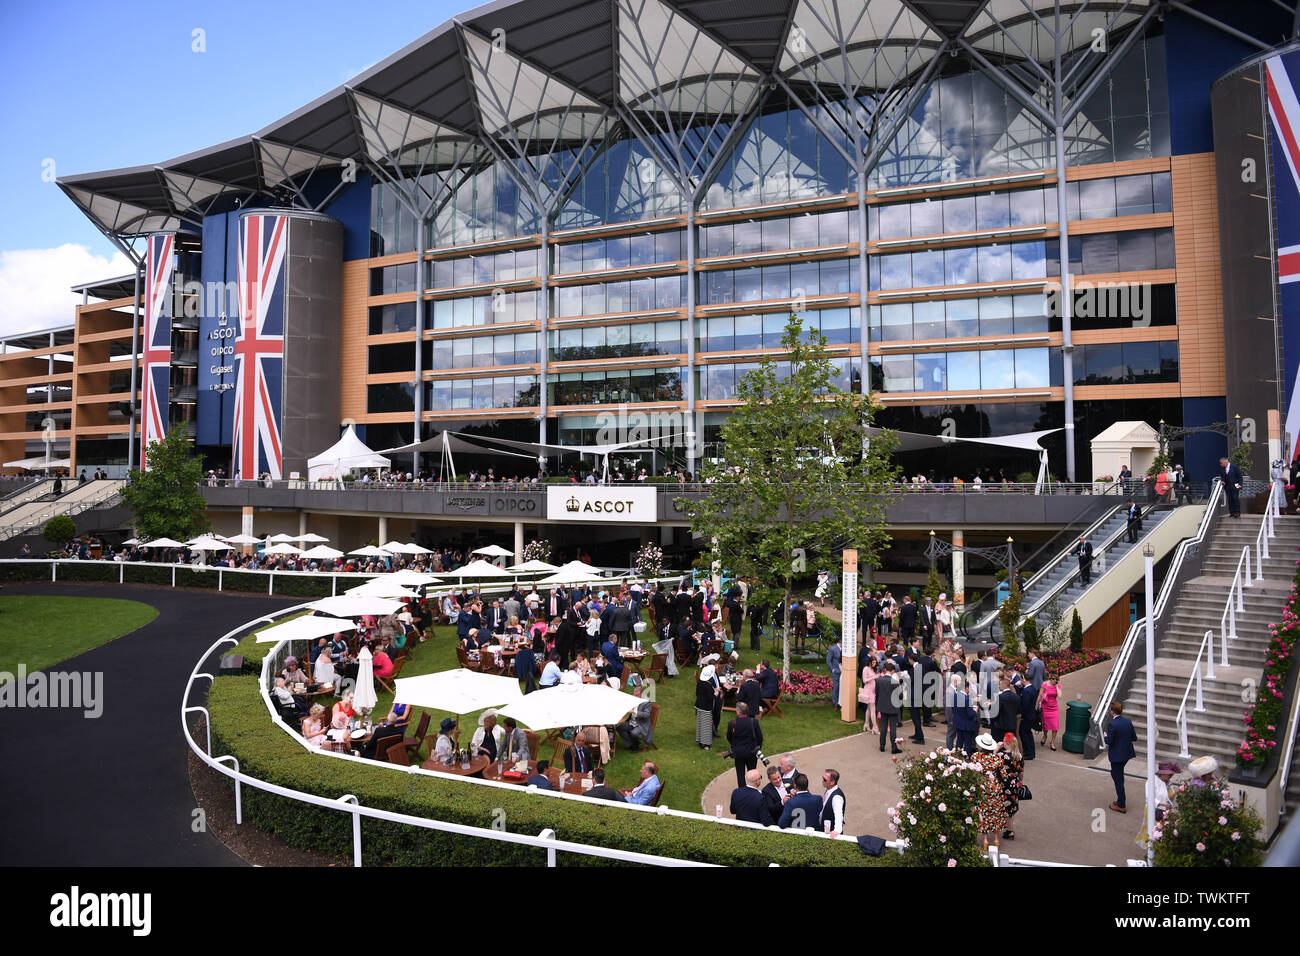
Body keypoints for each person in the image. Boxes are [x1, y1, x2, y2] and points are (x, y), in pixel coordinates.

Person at [972, 733, 1010, 849]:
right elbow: (1004, 776)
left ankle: (985, 841)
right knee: (995, 813)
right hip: (995, 788)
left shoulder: (975, 757)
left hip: (982, 788)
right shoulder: (997, 759)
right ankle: (997, 840)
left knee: (983, 813)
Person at [1104, 701, 1137, 813]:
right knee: (1117, 774)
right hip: (1126, 754)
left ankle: (1121, 804)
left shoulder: (1113, 725)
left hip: (1117, 756)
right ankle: (1120, 800)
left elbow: (1109, 741)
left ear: (1112, 712)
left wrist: (1105, 736)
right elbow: (1134, 737)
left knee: (1118, 779)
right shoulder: (1127, 722)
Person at [726, 701, 763, 790]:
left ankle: (742, 792)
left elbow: (729, 737)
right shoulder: (754, 722)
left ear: (738, 711)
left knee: (740, 774)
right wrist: (758, 748)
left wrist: (734, 745)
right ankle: (753, 790)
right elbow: (760, 737)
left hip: (738, 753)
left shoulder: (733, 723)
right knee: (752, 772)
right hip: (751, 752)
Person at [999, 732, 1024, 840]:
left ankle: (1008, 830)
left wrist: (996, 748)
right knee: (1012, 808)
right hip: (1015, 784)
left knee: (1005, 808)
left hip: (1005, 785)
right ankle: (1010, 829)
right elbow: (1021, 773)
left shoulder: (1003, 756)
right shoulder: (1019, 756)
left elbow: (992, 761)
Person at [615, 685, 654, 751]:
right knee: (619, 728)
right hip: (632, 721)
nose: (635, 696)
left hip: (641, 724)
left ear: (641, 694)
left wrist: (634, 711)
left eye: (637, 695)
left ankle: (635, 746)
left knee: (634, 733)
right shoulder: (634, 698)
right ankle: (630, 744)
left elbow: (646, 714)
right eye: (634, 694)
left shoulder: (647, 703)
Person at [875, 661, 902, 754]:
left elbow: (877, 694)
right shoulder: (895, 682)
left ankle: (882, 745)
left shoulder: (878, 680)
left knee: (883, 727)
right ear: (893, 671)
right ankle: (894, 748)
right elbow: (900, 695)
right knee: (893, 728)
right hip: (893, 707)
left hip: (882, 706)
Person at [695, 660, 721, 749]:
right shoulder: (708, 684)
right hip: (706, 707)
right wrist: (715, 694)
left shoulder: (700, 682)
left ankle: (700, 741)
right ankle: (705, 745)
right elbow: (710, 697)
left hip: (699, 705)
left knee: (700, 724)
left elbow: (697, 693)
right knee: (706, 726)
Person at [819, 769, 846, 837]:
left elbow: (839, 815)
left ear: (832, 782)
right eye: (823, 778)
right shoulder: (829, 789)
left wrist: (837, 830)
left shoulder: (837, 797)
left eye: (825, 780)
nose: (822, 780)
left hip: (829, 834)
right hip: (823, 829)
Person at [1017, 676, 1039, 760]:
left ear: (1024, 680)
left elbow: (1025, 705)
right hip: (1031, 715)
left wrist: (1021, 715)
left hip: (1026, 716)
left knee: (1024, 734)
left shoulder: (1027, 691)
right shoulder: (1032, 688)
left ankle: (1028, 752)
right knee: (1028, 733)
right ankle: (1031, 751)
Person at [1038, 673, 1061, 750]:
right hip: (1045, 707)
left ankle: (1053, 742)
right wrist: (1037, 704)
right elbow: (1040, 695)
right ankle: (1045, 736)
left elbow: (1060, 696)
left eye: (1056, 679)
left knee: (1055, 726)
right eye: (1053, 679)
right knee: (1046, 725)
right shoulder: (1044, 685)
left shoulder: (1058, 686)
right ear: (1050, 679)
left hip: (1054, 708)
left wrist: (1057, 687)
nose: (1054, 680)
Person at [858, 658, 878, 734]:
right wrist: (874, 677)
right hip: (868, 690)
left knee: (869, 709)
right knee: (873, 709)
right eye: (873, 662)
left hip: (872, 690)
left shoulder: (872, 669)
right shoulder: (866, 668)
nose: (874, 664)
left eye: (875, 662)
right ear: (870, 662)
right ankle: (875, 727)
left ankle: (866, 724)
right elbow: (864, 680)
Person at [826, 634, 843, 704]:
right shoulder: (833, 649)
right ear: (840, 642)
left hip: (843, 670)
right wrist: (832, 669)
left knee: (841, 687)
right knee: (836, 687)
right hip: (836, 671)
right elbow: (828, 660)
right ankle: (835, 703)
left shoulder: (844, 649)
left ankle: (840, 701)